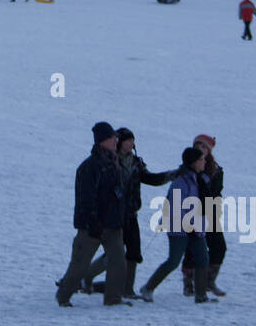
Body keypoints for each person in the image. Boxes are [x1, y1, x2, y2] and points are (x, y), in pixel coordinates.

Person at [82, 129, 180, 298]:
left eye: (133, 141)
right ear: (120, 141)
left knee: (134, 252)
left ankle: (127, 289)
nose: (131, 144)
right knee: (114, 253)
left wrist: (172, 175)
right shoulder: (110, 162)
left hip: (131, 214)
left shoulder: (136, 163)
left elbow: (151, 179)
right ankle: (87, 277)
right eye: (128, 141)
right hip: (113, 214)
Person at [55, 122, 128, 307]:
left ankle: (113, 299)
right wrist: (92, 222)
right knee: (79, 265)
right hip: (91, 226)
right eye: (113, 137)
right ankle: (63, 297)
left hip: (112, 225)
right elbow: (85, 199)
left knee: (118, 261)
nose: (116, 140)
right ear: (103, 140)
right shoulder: (90, 166)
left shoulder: (114, 163)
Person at [137, 146, 215, 304]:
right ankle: (148, 288)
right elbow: (175, 207)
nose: (204, 162)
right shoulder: (181, 182)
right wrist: (189, 225)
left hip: (195, 227)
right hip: (179, 228)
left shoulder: (200, 180)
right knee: (173, 261)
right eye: (201, 159)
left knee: (203, 258)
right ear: (193, 162)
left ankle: (201, 296)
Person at [181, 134, 226, 296]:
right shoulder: (189, 168)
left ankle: (209, 281)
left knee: (219, 247)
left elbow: (216, 192)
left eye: (204, 147)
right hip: (193, 214)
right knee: (192, 250)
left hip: (210, 214)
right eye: (198, 146)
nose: (201, 150)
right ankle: (189, 283)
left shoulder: (216, 170)